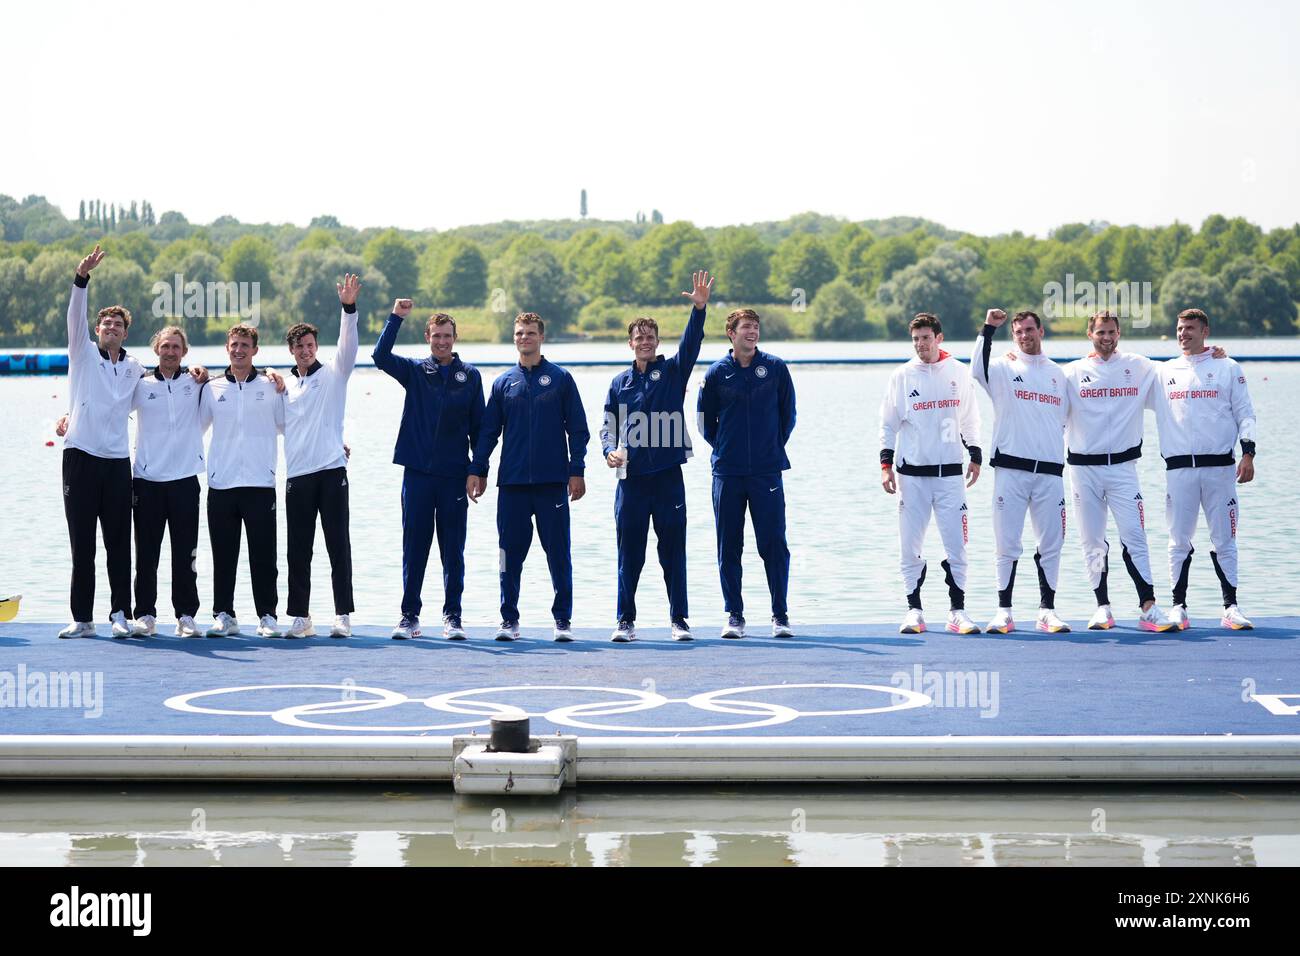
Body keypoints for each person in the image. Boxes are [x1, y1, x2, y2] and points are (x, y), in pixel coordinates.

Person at [599, 271, 712, 643]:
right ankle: (625, 621)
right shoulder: (619, 383)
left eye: (650, 338)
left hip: (666, 477)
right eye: (639, 338)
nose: (645, 342)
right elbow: (608, 427)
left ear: (657, 342)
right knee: (629, 554)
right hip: (629, 481)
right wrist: (609, 450)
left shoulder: (673, 372)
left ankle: (679, 620)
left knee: (672, 553)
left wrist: (699, 309)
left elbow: (692, 344)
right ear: (629, 344)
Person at [467, 312, 589, 642]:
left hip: (552, 484)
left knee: (559, 554)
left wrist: (576, 470)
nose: (525, 337)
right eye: (520, 333)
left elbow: (578, 430)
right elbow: (489, 432)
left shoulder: (561, 379)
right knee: (509, 555)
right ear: (514, 338)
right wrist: (477, 469)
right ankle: (509, 620)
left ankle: (562, 620)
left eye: (531, 332)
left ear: (541, 337)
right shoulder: (504, 383)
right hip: (513, 485)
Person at [1063, 311, 1182, 632]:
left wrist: (1212, 354)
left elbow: (1180, 371)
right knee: (1092, 541)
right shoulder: (1071, 373)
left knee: (1135, 537)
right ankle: (1102, 606)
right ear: (1090, 334)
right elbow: (1046, 413)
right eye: (1100, 331)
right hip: (1083, 470)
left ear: (1119, 333)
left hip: (1124, 469)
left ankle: (1149, 607)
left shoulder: (1139, 366)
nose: (1106, 337)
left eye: (1112, 331)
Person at [373, 300, 484, 640]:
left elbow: (480, 429)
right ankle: (409, 616)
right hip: (418, 475)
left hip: (454, 477)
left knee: (453, 551)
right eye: (436, 336)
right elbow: (380, 357)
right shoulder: (416, 372)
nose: (442, 341)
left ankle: (453, 617)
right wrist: (395, 318)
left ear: (455, 338)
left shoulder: (471, 376)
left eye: (447, 336)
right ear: (427, 337)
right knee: (415, 547)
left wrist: (478, 470)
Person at [59, 246, 145, 639]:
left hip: (115, 463)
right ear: (96, 331)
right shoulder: (83, 353)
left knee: (118, 544)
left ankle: (120, 614)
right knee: (83, 545)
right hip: (80, 456)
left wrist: (198, 374)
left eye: (117, 325)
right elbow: (75, 315)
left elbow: (168, 387)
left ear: (126, 333)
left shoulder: (135, 369)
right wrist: (82, 277)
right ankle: (82, 618)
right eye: (105, 324)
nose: (110, 328)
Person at [879, 312, 982, 635]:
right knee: (910, 546)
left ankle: (957, 610)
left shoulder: (958, 372)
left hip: (950, 475)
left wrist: (976, 454)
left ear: (939, 338)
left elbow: (970, 418)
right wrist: (885, 465)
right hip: (912, 476)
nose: (920, 345)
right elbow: (887, 423)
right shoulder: (902, 375)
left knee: (957, 544)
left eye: (926, 338)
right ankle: (914, 610)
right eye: (915, 339)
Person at [1155, 308, 1257, 630]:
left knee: (1225, 539)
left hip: (1220, 469)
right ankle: (1178, 607)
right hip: (1179, 470)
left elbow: (1246, 414)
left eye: (1190, 328)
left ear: (1205, 331)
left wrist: (1248, 453)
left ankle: (1231, 607)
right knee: (1178, 541)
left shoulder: (1228, 367)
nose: (1183, 333)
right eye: (1180, 328)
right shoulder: (1163, 372)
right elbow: (1122, 377)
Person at [697, 308, 796, 639]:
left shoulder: (776, 369)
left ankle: (780, 614)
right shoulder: (715, 374)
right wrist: (726, 447)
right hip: (727, 472)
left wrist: (768, 447)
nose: (752, 332)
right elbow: (704, 423)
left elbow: (788, 416)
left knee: (773, 544)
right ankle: (734, 615)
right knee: (729, 546)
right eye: (745, 328)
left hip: (767, 472)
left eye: (755, 327)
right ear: (731, 333)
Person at [970, 309, 1070, 633]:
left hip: (1051, 472)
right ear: (1013, 336)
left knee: (1051, 544)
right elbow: (976, 368)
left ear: (1041, 331)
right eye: (1018, 332)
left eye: (1030, 330)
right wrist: (988, 329)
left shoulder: (1059, 375)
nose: (1025, 336)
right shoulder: (1002, 367)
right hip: (1011, 469)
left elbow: (1071, 419)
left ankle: (1047, 610)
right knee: (1006, 543)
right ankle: (1004, 611)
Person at [282, 274, 360, 638]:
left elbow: (348, 346)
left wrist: (348, 308)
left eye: (310, 344)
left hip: (331, 472)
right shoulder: (282, 387)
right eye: (298, 346)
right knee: (298, 550)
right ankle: (300, 616)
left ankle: (342, 614)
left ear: (317, 346)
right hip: (298, 477)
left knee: (337, 546)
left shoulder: (334, 374)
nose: (305, 350)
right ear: (291, 351)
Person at [200, 323, 286, 638]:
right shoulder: (210, 387)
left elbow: (291, 425)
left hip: (261, 484)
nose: (239, 350)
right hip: (221, 484)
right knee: (223, 555)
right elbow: (191, 429)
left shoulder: (271, 386)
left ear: (255, 351)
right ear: (227, 348)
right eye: (234, 344)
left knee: (264, 556)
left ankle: (267, 616)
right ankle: (224, 614)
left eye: (245, 345)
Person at [128, 325, 207, 638]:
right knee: (146, 555)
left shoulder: (197, 381)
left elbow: (236, 378)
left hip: (185, 481)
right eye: (165, 347)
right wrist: (69, 417)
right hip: (147, 481)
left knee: (185, 555)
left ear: (184, 352)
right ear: (156, 350)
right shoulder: (141, 384)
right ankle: (145, 614)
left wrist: (271, 371)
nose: (171, 352)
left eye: (176, 347)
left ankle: (186, 615)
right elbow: (107, 402)